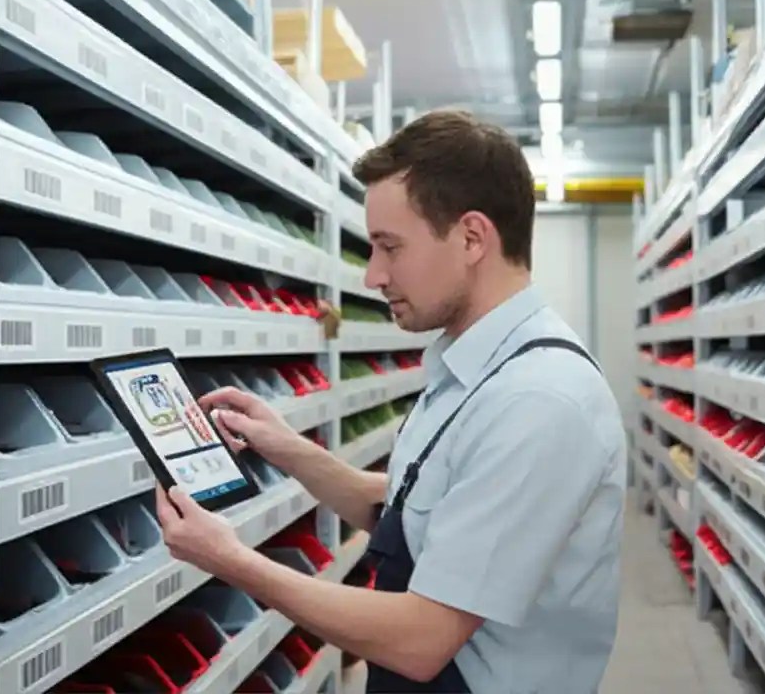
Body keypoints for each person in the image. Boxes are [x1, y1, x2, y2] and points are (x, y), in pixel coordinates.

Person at [154, 109, 625, 693]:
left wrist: (231, 560)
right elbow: (416, 511)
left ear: (472, 238)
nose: (373, 275)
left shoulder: (537, 401)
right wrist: (287, 449)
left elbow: (421, 640)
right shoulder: (473, 367)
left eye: (389, 247)